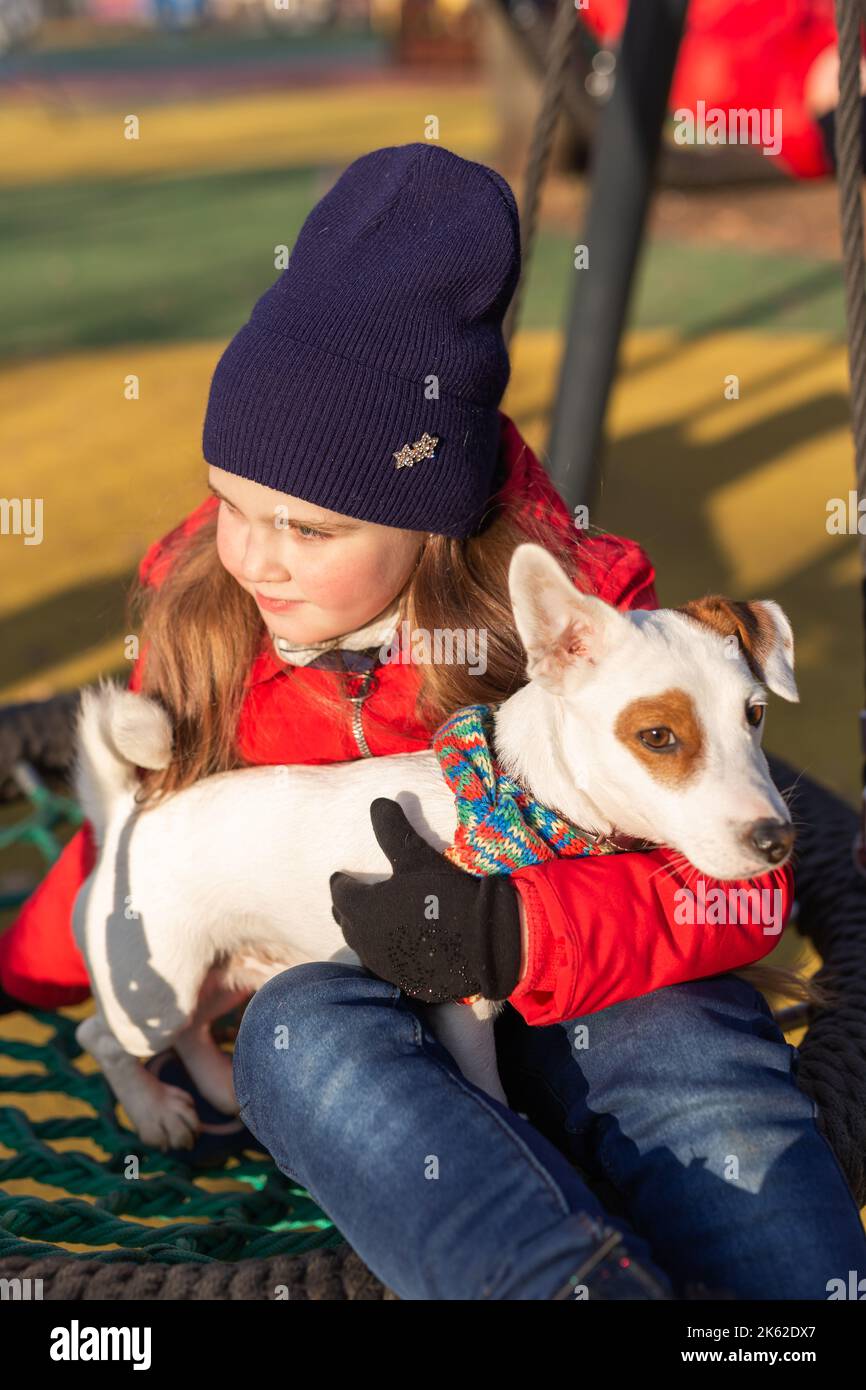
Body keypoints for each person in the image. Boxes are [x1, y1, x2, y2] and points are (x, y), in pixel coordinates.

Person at [3, 143, 863, 1298]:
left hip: (575, 978)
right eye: (228, 503)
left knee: (685, 1051)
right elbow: (160, 844)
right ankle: (559, 1281)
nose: (254, 554)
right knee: (302, 1034)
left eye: (308, 528)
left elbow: (738, 870)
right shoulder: (210, 628)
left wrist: (515, 934)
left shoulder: (590, 627)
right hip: (342, 1004)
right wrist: (37, 958)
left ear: (429, 522)